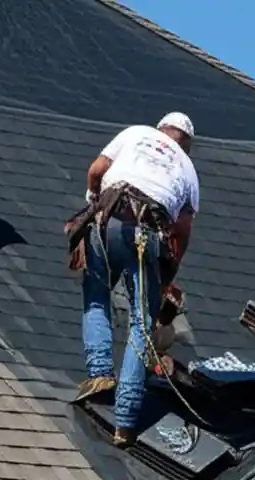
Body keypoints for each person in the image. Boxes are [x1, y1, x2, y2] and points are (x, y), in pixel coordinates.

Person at [76, 113, 200, 447]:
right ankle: (126, 423)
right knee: (141, 323)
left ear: (161, 130)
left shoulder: (136, 133)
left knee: (97, 294)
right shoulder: (188, 169)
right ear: (186, 145)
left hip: (107, 218)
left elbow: (96, 171)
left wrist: (92, 198)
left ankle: (100, 374)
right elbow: (182, 235)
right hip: (147, 234)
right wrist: (166, 278)